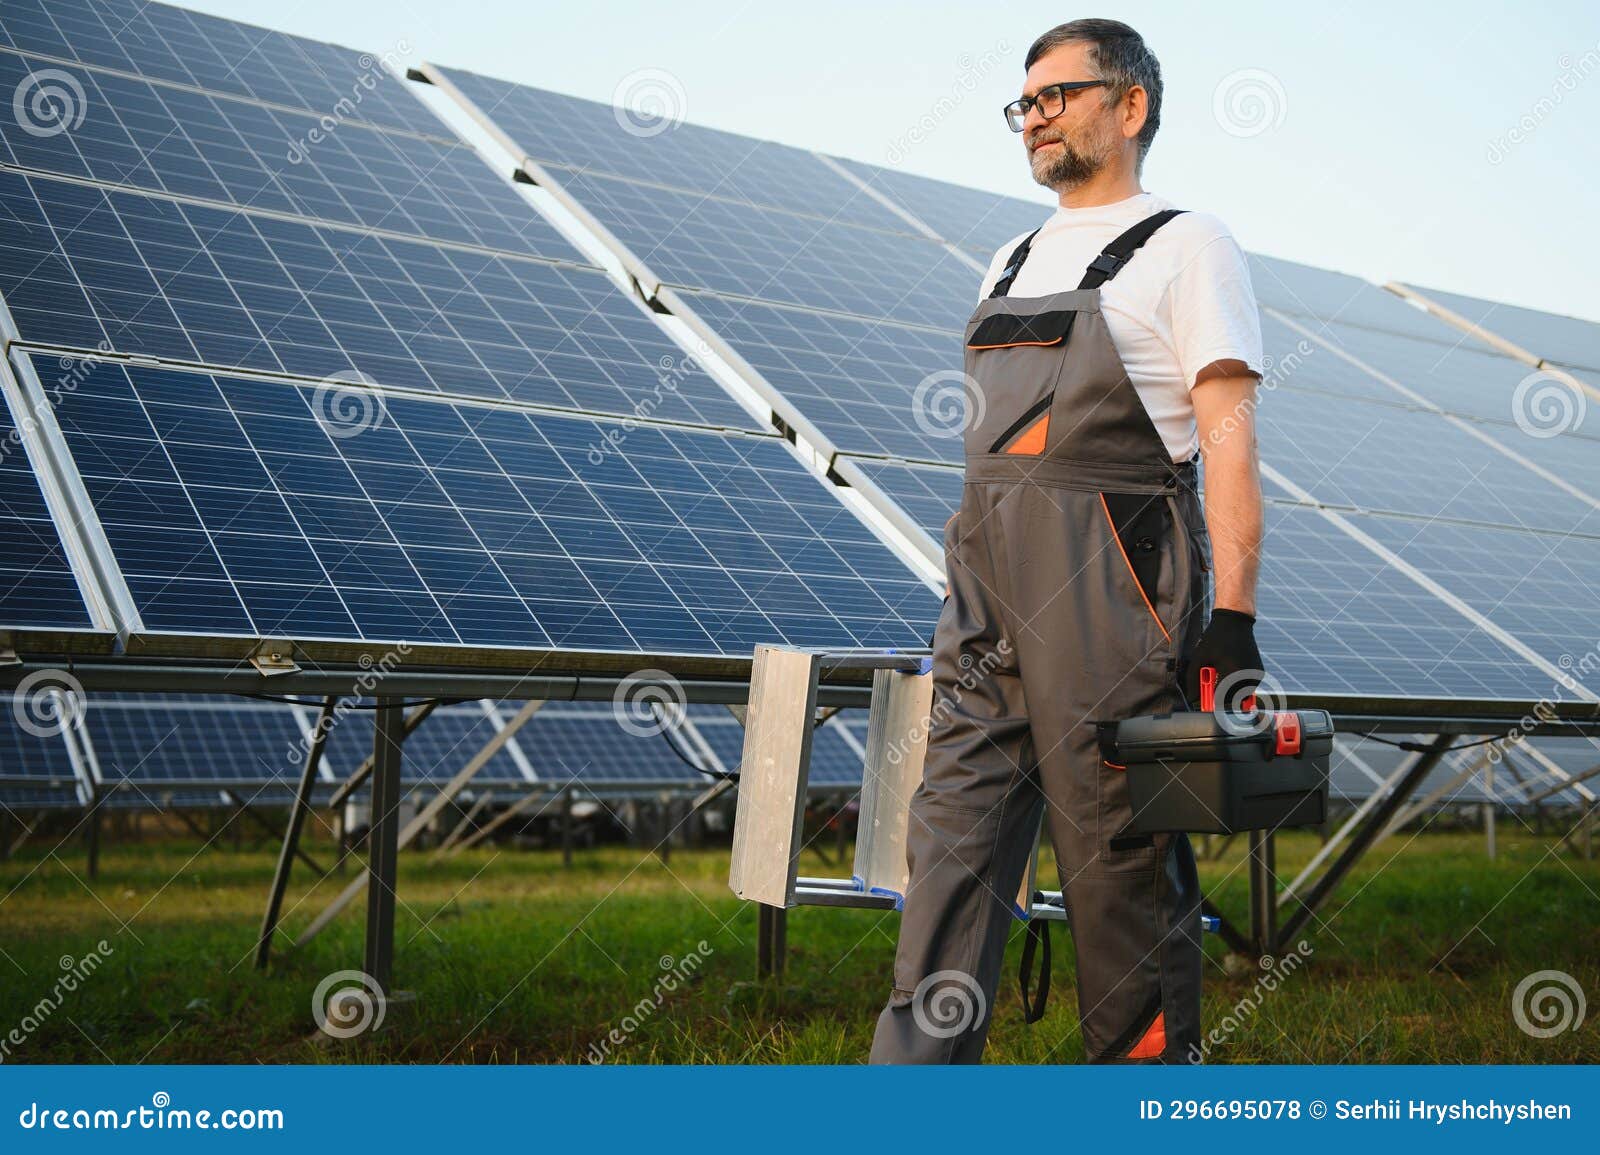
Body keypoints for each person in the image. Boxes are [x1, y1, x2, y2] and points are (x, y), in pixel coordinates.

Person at [869, 18, 1265, 1064]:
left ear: (1128, 107)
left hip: (1114, 590)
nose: (1033, 117)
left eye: (1057, 96)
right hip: (986, 591)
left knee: (1115, 865)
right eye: (1023, 103)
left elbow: (1225, 442)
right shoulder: (1008, 258)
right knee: (948, 846)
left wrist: (1234, 617)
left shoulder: (1188, 243)